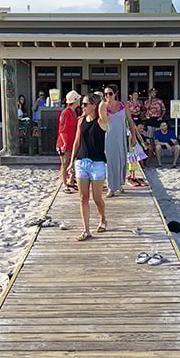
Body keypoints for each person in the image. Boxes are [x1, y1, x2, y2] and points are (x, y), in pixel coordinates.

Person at [68, 93, 109, 241]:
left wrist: (101, 100)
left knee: (97, 198)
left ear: (94, 105)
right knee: (83, 197)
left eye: (86, 104)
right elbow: (76, 143)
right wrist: (71, 163)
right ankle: (86, 230)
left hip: (97, 163)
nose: (82, 107)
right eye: (82, 104)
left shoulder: (102, 121)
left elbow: (103, 107)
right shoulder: (81, 121)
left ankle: (103, 218)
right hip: (81, 162)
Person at [103, 84, 138, 198]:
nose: (108, 96)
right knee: (110, 162)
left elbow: (130, 121)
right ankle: (110, 187)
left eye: (110, 93)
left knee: (122, 161)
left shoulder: (123, 105)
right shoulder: (102, 106)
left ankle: (119, 184)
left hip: (121, 136)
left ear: (115, 94)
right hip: (108, 137)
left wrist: (134, 135)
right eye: (106, 94)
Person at [57, 90, 81, 194]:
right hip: (65, 144)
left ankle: (70, 180)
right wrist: (65, 144)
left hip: (71, 143)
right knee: (65, 164)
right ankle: (64, 184)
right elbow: (62, 130)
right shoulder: (66, 112)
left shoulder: (72, 112)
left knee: (71, 162)